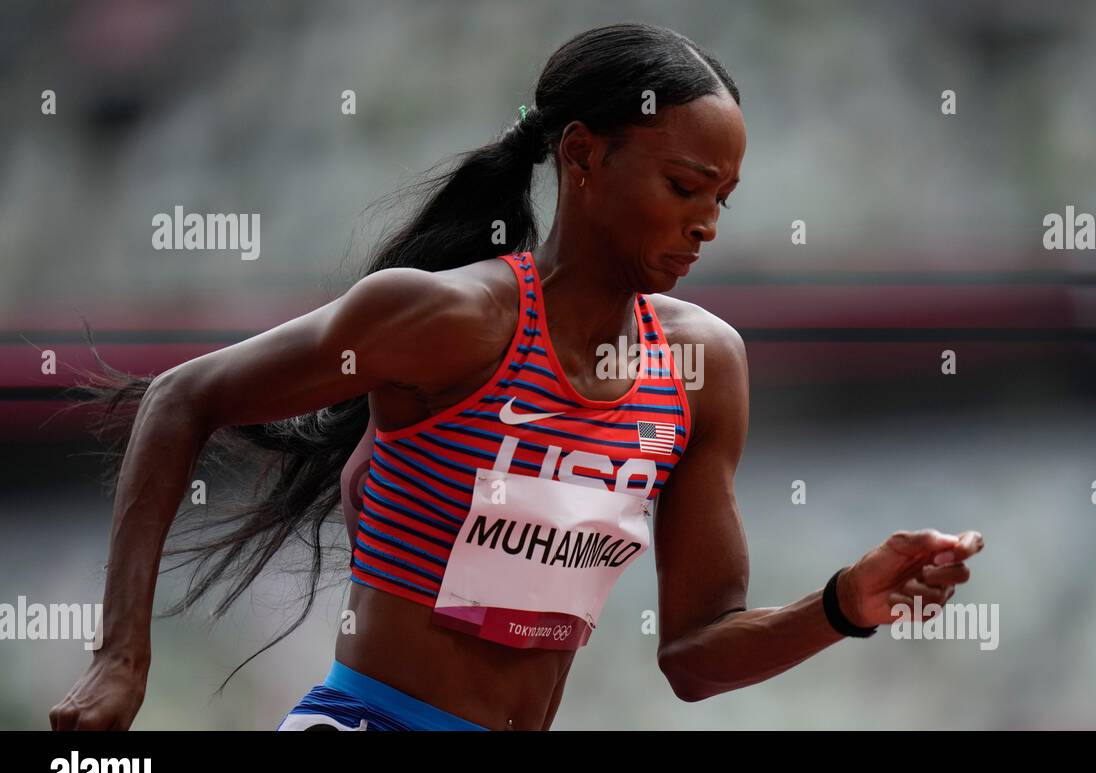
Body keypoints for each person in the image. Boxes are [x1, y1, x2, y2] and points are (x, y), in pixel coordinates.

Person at [49, 22, 984, 732]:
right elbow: (183, 396)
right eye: (684, 187)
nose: (707, 224)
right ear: (582, 157)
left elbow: (695, 657)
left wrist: (843, 604)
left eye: (722, 201)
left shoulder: (702, 369)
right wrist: (120, 655)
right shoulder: (446, 320)